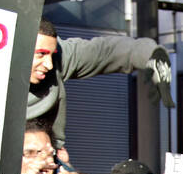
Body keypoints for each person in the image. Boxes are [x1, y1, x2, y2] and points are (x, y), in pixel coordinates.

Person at [28, 18, 173, 156]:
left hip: (48, 157)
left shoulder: (61, 57)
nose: (49, 64)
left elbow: (104, 51)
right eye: (40, 54)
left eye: (51, 55)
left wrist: (151, 54)